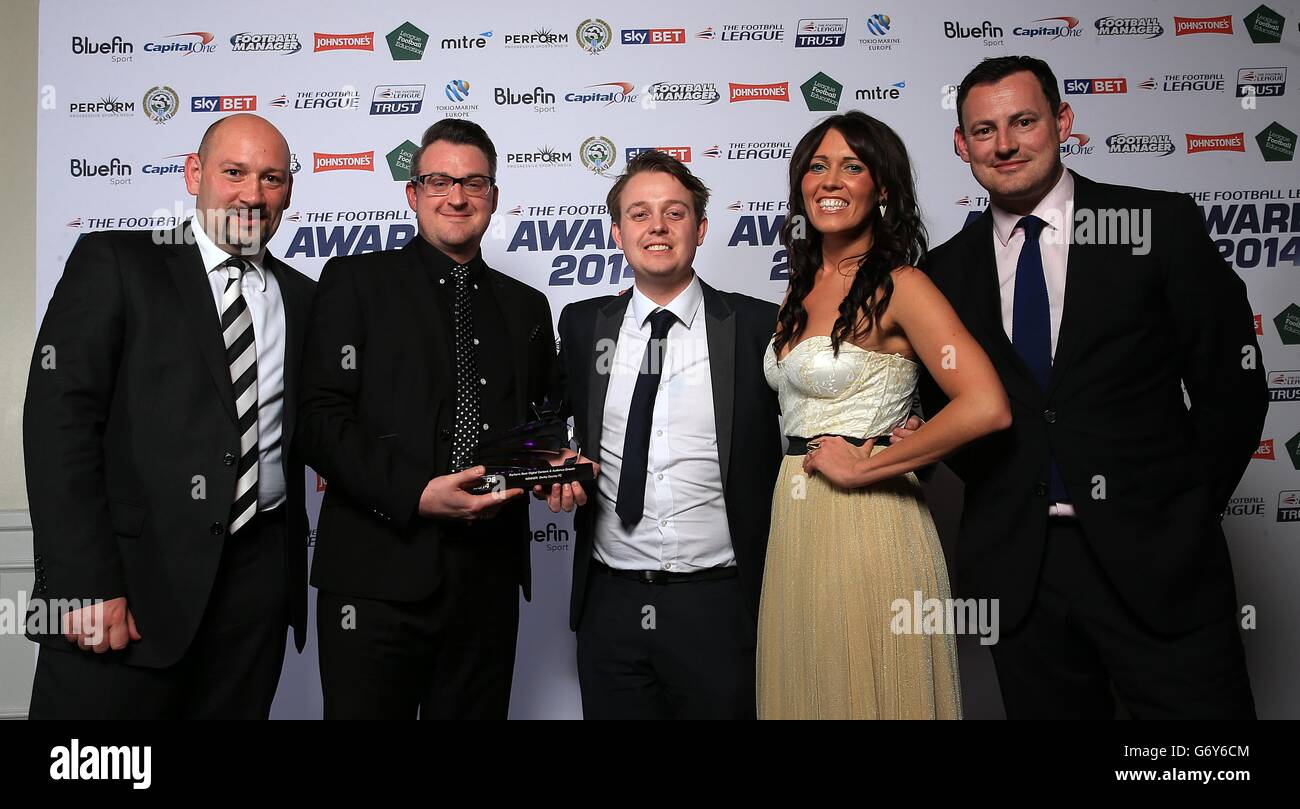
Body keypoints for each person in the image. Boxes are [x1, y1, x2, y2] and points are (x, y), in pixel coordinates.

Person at [907, 56, 1265, 718]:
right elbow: (946, 416)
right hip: (1022, 574)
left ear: (1062, 121)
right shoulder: (941, 274)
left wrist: (1176, 513)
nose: (1005, 144)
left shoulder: (1157, 225)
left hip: (1160, 564)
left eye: (1023, 121)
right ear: (961, 144)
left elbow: (1234, 389)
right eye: (983, 130)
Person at [24, 113, 314, 719]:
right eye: (233, 172)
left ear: (289, 190)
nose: (252, 195)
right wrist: (83, 585)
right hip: (124, 592)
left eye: (272, 178)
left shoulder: (304, 297)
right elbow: (58, 428)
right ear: (194, 174)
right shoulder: (117, 261)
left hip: (252, 601)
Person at [297, 119, 558, 719]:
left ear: (495, 196)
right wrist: (414, 493)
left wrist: (554, 461)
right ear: (412, 194)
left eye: (474, 183)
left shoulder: (526, 307)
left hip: (486, 583)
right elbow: (318, 418)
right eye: (439, 181)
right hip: (372, 577)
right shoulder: (355, 282)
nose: (457, 197)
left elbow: (541, 422)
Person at [758, 111, 1012, 720]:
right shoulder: (799, 290)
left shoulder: (902, 286)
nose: (830, 180)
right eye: (817, 166)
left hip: (871, 521)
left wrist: (873, 464)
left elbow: (987, 405)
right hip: (796, 519)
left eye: (853, 166)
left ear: (884, 191)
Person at [547, 150, 783, 719]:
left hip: (720, 602)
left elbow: (809, 424)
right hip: (611, 602)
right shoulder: (583, 324)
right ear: (617, 232)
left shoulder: (756, 325)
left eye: (675, 213)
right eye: (640, 213)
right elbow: (548, 416)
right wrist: (551, 461)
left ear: (701, 229)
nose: (657, 226)